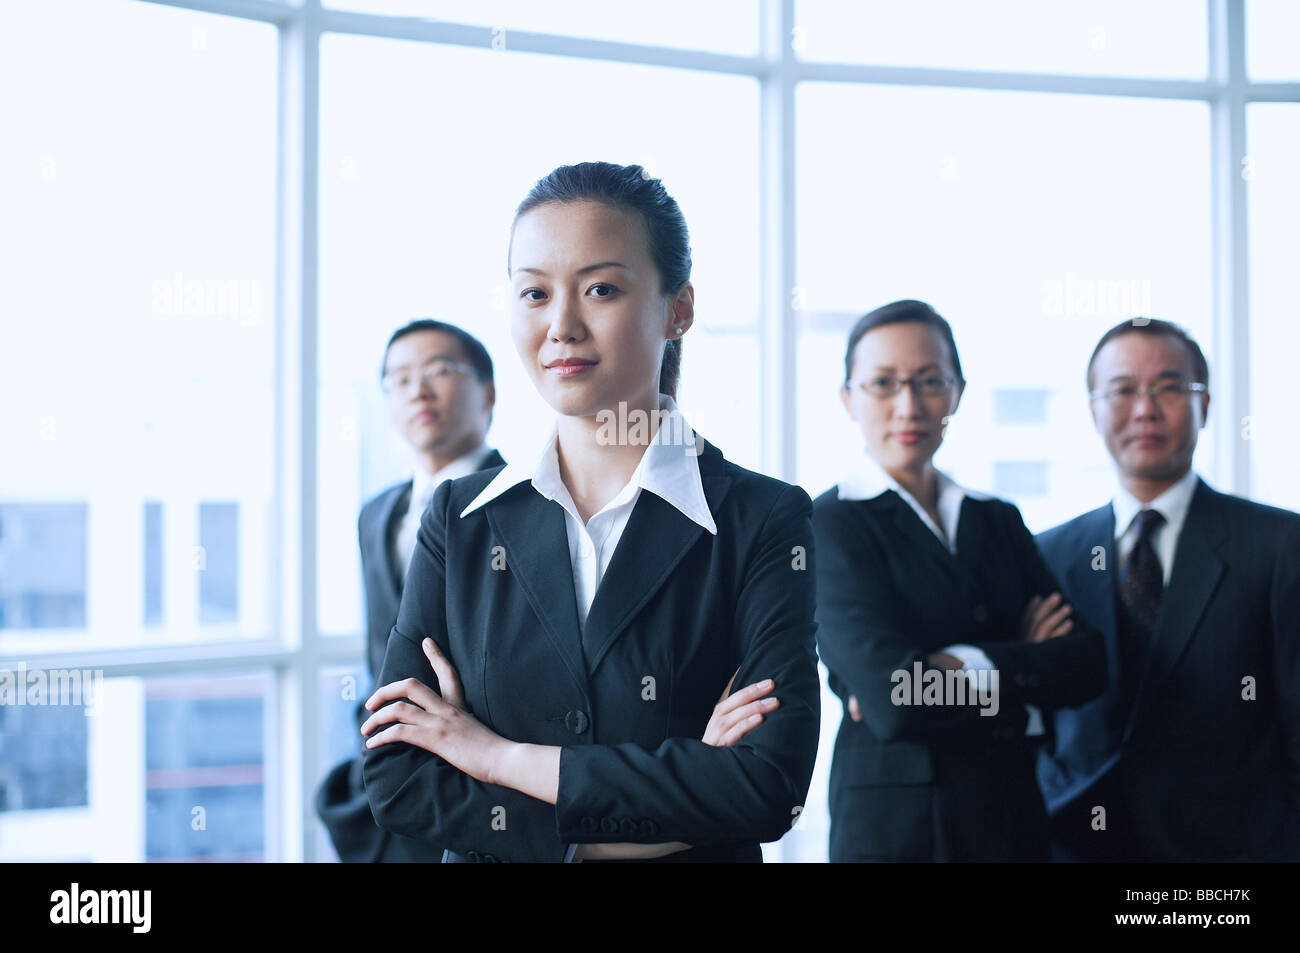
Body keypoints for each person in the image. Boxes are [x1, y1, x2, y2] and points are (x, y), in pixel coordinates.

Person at [359, 161, 821, 862]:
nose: (562, 326)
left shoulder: (763, 517)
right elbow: (397, 778)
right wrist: (622, 834)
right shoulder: (460, 518)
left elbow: (765, 784)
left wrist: (493, 755)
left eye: (601, 288)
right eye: (535, 293)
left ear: (678, 307)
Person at [812, 299, 1107, 861]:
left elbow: (1087, 663)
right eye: (882, 383)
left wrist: (954, 663)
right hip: (898, 833)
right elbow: (897, 699)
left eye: (929, 381)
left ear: (958, 392)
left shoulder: (997, 520)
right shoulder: (827, 525)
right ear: (849, 399)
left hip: (1013, 819)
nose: (908, 405)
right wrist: (1022, 666)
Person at [1035, 317, 1300, 861]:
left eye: (1170, 387)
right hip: (1077, 848)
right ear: (1092, 409)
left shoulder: (1278, 545)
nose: (1145, 409)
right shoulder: (1046, 555)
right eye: (1123, 389)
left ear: (1205, 405)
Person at [315, 319, 505, 863]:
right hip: (387, 782)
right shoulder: (376, 514)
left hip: (483, 784)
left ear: (487, 393)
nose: (417, 390)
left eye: (439, 371)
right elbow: (380, 649)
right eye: (398, 380)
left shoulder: (531, 503)